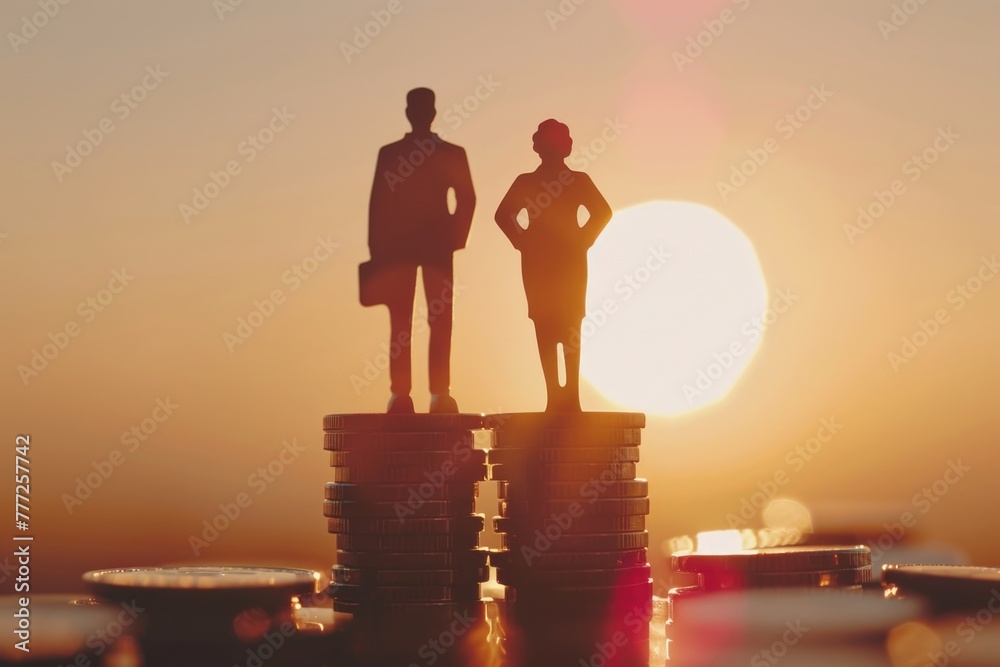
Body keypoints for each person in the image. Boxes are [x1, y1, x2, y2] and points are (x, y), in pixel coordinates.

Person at [366, 88, 476, 414]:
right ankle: (402, 393)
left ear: (431, 113)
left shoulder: (451, 153)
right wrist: (378, 250)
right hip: (402, 249)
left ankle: (439, 392)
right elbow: (378, 203)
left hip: (434, 246)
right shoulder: (391, 153)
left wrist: (455, 238)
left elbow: (467, 197)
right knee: (402, 319)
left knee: (439, 319)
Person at [494, 119, 612, 412]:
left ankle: (569, 396)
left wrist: (583, 240)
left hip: (568, 263)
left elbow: (602, 212)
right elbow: (504, 215)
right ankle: (556, 397)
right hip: (540, 265)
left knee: (569, 324)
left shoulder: (578, 181)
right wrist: (522, 242)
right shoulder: (526, 182)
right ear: (539, 146)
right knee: (546, 325)